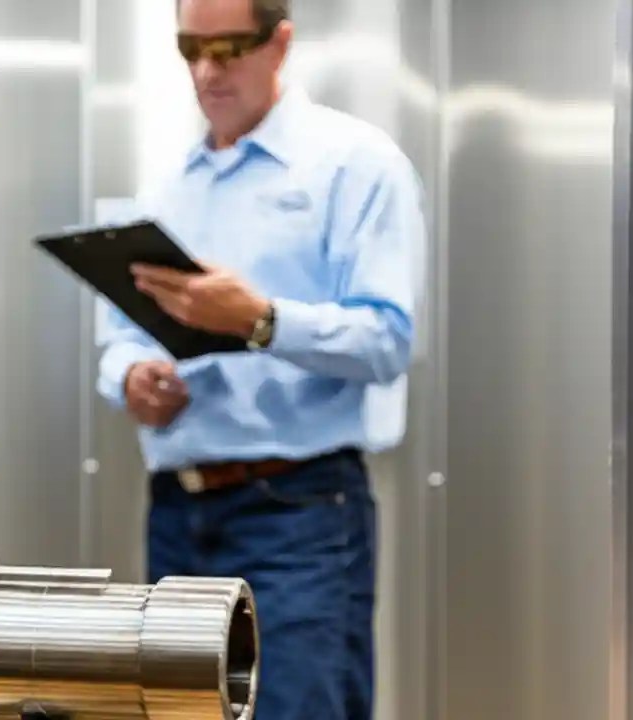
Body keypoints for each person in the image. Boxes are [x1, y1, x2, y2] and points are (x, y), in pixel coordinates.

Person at [94, 0, 426, 717]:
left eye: (228, 49)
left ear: (280, 44)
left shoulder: (354, 165)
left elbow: (388, 340)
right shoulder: (168, 183)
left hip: (298, 514)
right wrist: (131, 377)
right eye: (190, 50)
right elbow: (120, 334)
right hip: (177, 509)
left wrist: (262, 320)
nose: (206, 72)